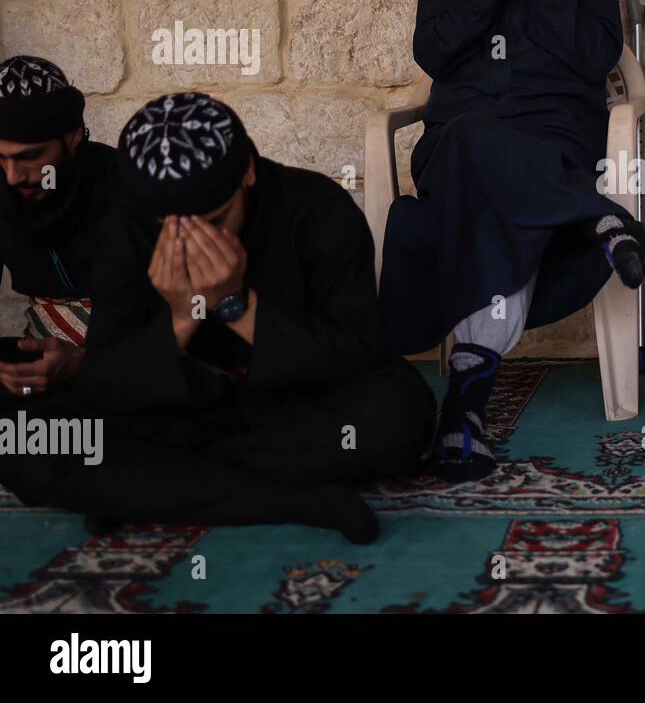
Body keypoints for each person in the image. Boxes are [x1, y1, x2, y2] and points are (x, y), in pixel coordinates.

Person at [1, 93, 436, 543]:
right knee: (22, 439)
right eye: (170, 228)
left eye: (212, 221)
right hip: (181, 406)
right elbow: (107, 379)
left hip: (296, 406)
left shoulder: (317, 208)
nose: (192, 243)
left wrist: (236, 305)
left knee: (398, 415)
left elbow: (357, 352)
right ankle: (297, 501)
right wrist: (180, 319)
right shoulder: (127, 227)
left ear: (247, 169)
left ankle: (140, 489)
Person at [380, 0, 645, 483]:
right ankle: (596, 215)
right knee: (476, 143)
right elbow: (435, 54)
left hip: (552, 139)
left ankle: (467, 408)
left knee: (493, 187)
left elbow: (595, 58)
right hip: (458, 143)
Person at [0, 56, 118, 398]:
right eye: (2, 158)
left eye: (30, 156)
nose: (13, 176)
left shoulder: (127, 185)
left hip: (130, 363)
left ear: (74, 134)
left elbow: (184, 314)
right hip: (39, 365)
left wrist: (89, 363)